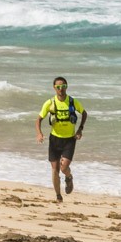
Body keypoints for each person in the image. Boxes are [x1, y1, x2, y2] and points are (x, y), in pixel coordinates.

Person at [35, 76, 88, 204]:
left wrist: (80, 129)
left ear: (66, 87)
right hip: (54, 139)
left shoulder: (72, 101)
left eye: (63, 86)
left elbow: (84, 113)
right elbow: (39, 119)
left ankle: (68, 177)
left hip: (69, 139)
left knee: (64, 168)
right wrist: (39, 133)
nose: (61, 89)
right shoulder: (50, 103)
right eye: (58, 87)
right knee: (55, 169)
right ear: (54, 88)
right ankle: (58, 196)